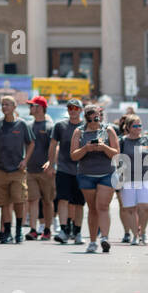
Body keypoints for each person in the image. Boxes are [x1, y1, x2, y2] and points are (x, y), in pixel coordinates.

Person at [0, 95, 34, 244]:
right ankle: (6, 232)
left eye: (8, 104)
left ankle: (18, 231)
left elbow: (31, 143)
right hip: (0, 169)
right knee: (3, 202)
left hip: (17, 170)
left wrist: (25, 160)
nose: (4, 107)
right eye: (3, 105)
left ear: (14, 107)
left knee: (19, 201)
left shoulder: (22, 125)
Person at [70, 104, 119, 253]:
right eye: (89, 117)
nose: (93, 120)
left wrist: (103, 147)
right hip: (86, 175)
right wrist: (86, 148)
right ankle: (92, 241)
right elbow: (73, 155)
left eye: (96, 117)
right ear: (85, 117)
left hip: (106, 174)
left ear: (100, 115)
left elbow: (116, 154)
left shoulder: (108, 130)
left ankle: (104, 237)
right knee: (92, 208)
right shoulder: (79, 132)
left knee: (103, 206)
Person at [116, 111, 148, 245]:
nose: (138, 128)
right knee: (129, 209)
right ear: (128, 127)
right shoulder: (122, 141)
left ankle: (143, 232)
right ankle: (134, 235)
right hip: (127, 180)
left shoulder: (146, 140)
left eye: (140, 125)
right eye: (135, 126)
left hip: (145, 179)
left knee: (144, 207)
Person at [49, 98, 86, 245]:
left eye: (76, 108)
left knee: (79, 203)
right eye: (70, 108)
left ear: (81, 111)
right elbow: (52, 145)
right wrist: (51, 164)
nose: (72, 110)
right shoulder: (60, 125)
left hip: (81, 170)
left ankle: (77, 232)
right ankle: (63, 230)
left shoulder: (86, 126)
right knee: (62, 199)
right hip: (64, 168)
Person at [24, 96, 55, 240]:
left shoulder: (50, 126)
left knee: (47, 201)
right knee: (33, 200)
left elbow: (55, 147)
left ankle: (48, 229)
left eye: (33, 105)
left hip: (45, 171)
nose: (30, 108)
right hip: (30, 170)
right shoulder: (28, 126)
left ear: (41, 108)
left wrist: (51, 163)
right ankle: (33, 229)